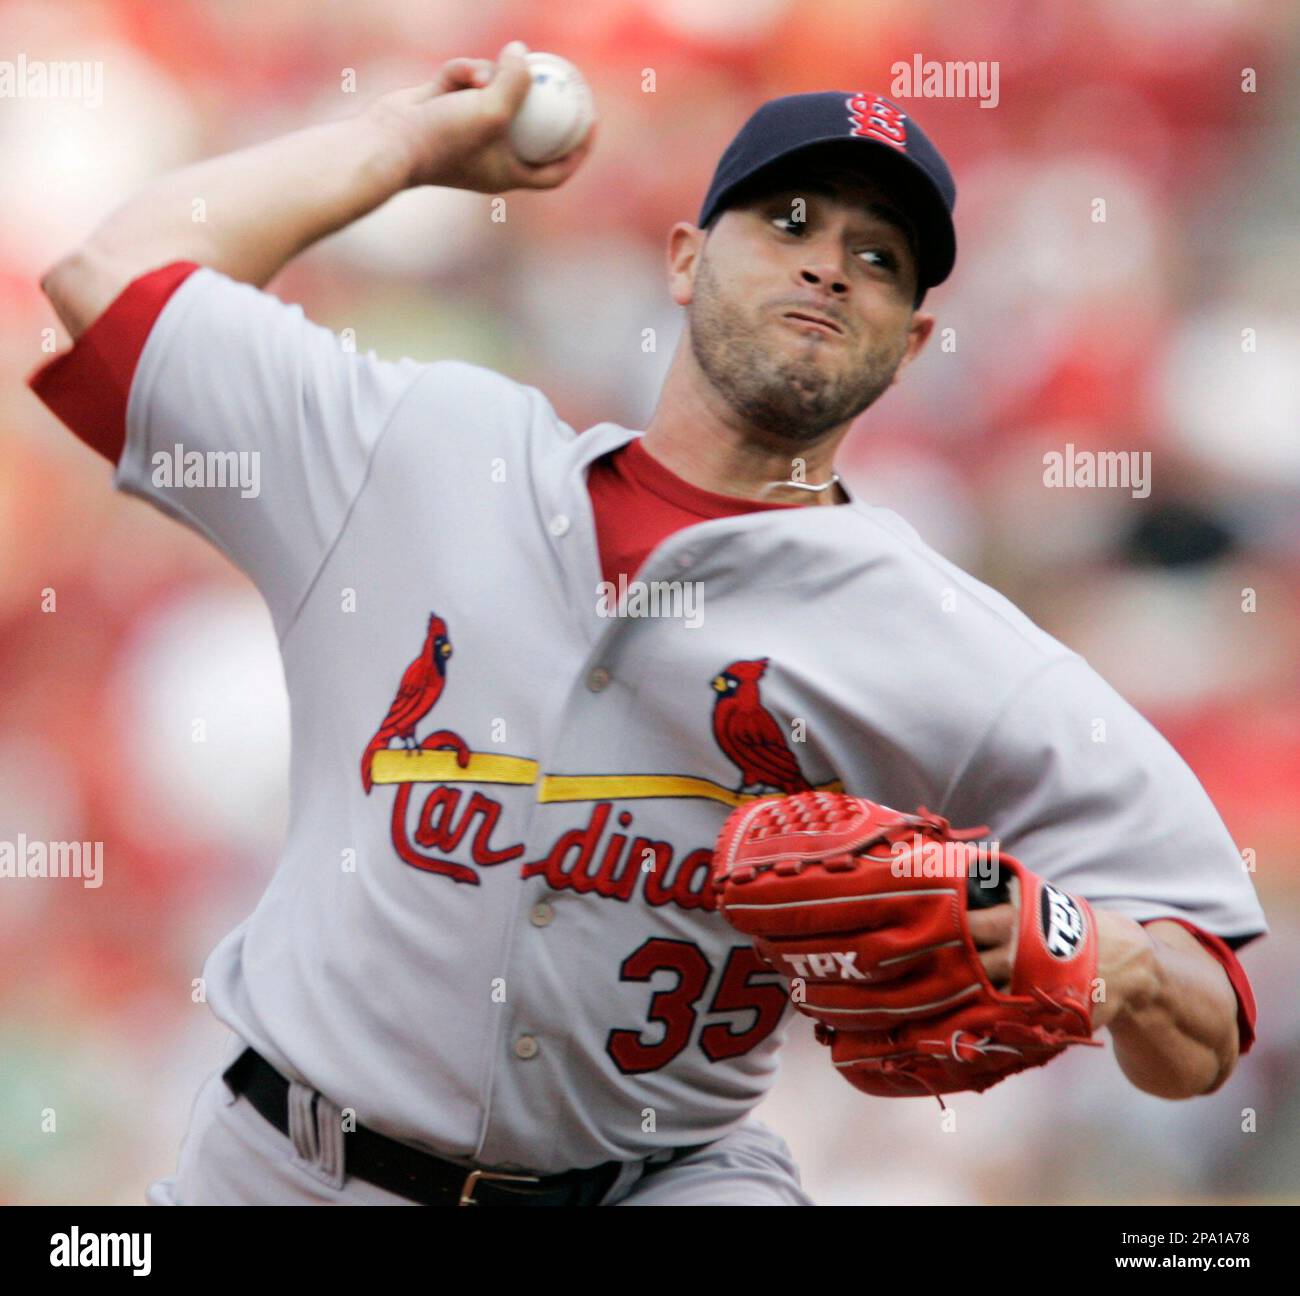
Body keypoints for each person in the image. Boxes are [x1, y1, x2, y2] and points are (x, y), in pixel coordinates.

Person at [30, 40, 1264, 1207]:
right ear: (682, 259)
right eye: (789, 224)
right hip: (283, 1166)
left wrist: (1097, 957)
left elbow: (1204, 1017)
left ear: (912, 347)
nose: (830, 264)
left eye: (881, 257)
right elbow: (106, 288)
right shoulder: (424, 454)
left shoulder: (950, 646)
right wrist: (402, 148)